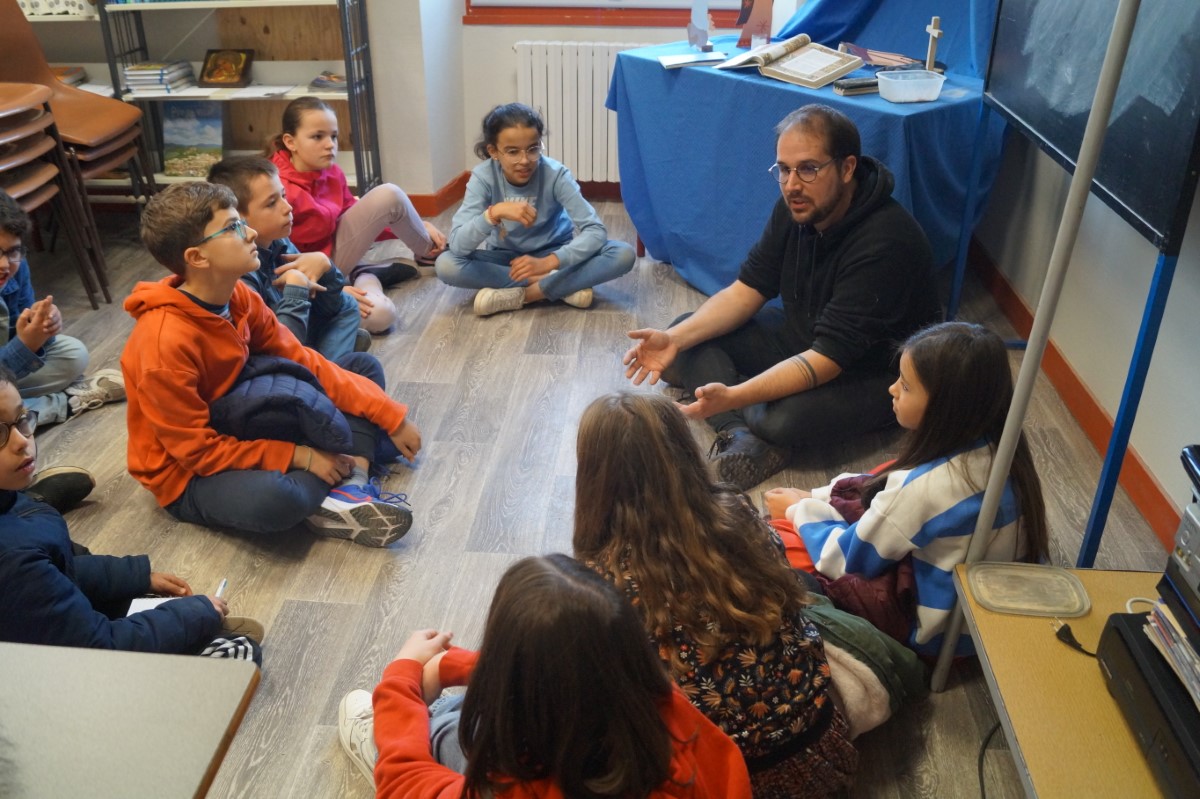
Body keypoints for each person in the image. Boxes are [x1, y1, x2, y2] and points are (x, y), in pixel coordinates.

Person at [623, 104, 942, 491]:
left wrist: (734, 393)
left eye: (808, 168)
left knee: (783, 419)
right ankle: (742, 433)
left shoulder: (886, 240)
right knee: (682, 337)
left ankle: (739, 416)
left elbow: (828, 360)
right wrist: (674, 340)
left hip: (871, 372)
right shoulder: (797, 207)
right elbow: (748, 290)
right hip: (804, 338)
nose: (792, 184)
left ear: (847, 168)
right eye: (784, 170)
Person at [572, 392, 857, 799]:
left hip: (724, 779)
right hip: (823, 748)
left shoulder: (601, 580)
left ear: (592, 475)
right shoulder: (735, 509)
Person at [123, 181, 421, 546]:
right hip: (188, 472)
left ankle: (350, 482)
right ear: (197, 258)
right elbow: (197, 452)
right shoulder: (163, 344)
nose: (249, 232)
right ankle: (352, 464)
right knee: (279, 500)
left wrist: (391, 414)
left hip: (243, 416)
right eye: (233, 227)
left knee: (361, 367)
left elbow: (302, 359)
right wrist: (300, 456)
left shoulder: (240, 295)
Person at [337, 553, 752, 797]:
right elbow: (575, 673)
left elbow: (403, 779)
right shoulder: (665, 708)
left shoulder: (515, 789)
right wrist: (452, 666)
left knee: (446, 731)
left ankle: (379, 730)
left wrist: (400, 678)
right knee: (469, 712)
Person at [763, 321, 1049, 656]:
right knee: (882, 475)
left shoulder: (922, 490)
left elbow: (846, 561)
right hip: (993, 613)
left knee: (775, 541)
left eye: (907, 386)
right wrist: (818, 496)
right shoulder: (1001, 445)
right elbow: (887, 483)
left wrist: (800, 510)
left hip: (943, 637)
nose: (892, 390)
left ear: (946, 407)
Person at [0, 364, 260, 663]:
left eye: (21, 420)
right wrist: (192, 613)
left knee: (128, 603)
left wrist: (136, 577)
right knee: (241, 652)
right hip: (51, 675)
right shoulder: (16, 562)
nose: (22, 441)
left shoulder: (17, 539)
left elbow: (60, 569)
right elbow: (99, 651)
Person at [435, 103, 635, 317]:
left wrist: (548, 262)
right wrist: (493, 214)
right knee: (446, 264)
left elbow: (595, 231)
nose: (524, 161)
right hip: (507, 260)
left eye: (533, 149)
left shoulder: (555, 174)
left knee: (623, 254)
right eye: (512, 152)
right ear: (493, 151)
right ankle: (562, 284)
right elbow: (457, 244)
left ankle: (524, 295)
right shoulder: (483, 177)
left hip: (554, 253)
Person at [268, 96, 447, 334]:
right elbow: (273, 264)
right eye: (317, 136)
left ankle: (429, 254)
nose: (330, 144)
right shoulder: (276, 190)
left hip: (335, 260)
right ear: (290, 142)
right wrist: (330, 288)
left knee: (389, 195)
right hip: (304, 283)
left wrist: (416, 226)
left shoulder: (331, 172)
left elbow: (354, 221)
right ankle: (365, 273)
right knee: (381, 316)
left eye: (333, 136)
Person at [208, 155, 368, 360]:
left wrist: (326, 268)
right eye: (272, 203)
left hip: (295, 330)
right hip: (274, 355)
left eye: (283, 196)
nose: (288, 207)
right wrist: (296, 291)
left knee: (346, 304)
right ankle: (333, 364)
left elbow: (331, 304)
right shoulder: (240, 272)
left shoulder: (279, 242)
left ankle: (329, 358)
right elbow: (276, 348)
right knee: (363, 359)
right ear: (238, 218)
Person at [0, 190, 126, 429]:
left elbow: (20, 331)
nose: (4, 265)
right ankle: (61, 404)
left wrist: (42, 328)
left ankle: (12, 413)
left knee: (73, 354)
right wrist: (26, 346)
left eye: (12, 251)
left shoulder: (18, 265)